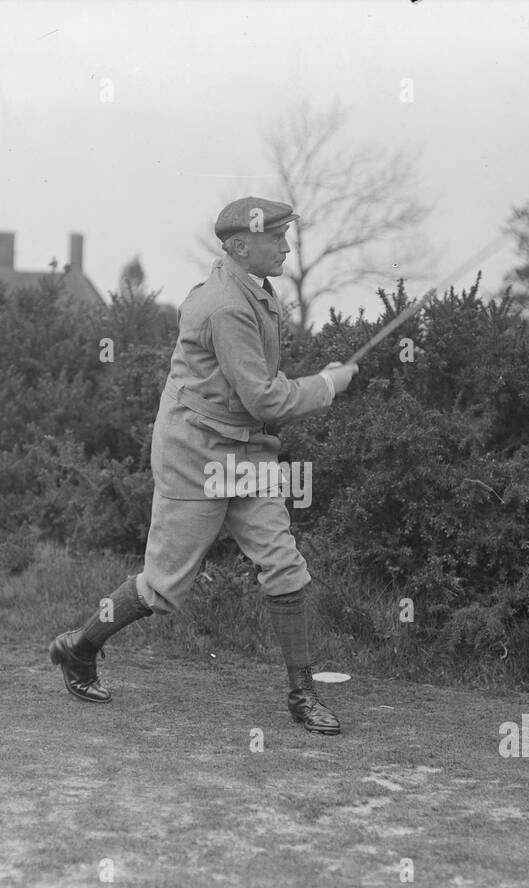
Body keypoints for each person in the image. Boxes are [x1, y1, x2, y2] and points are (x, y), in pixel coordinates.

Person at [49, 196, 360, 734]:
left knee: (284, 566)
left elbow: (252, 395)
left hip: (246, 454)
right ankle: (79, 648)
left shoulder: (256, 293)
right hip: (195, 456)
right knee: (162, 588)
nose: (286, 245)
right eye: (276, 238)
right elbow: (265, 399)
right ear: (241, 246)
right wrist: (328, 385)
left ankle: (301, 694)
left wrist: (320, 383)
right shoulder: (224, 305)